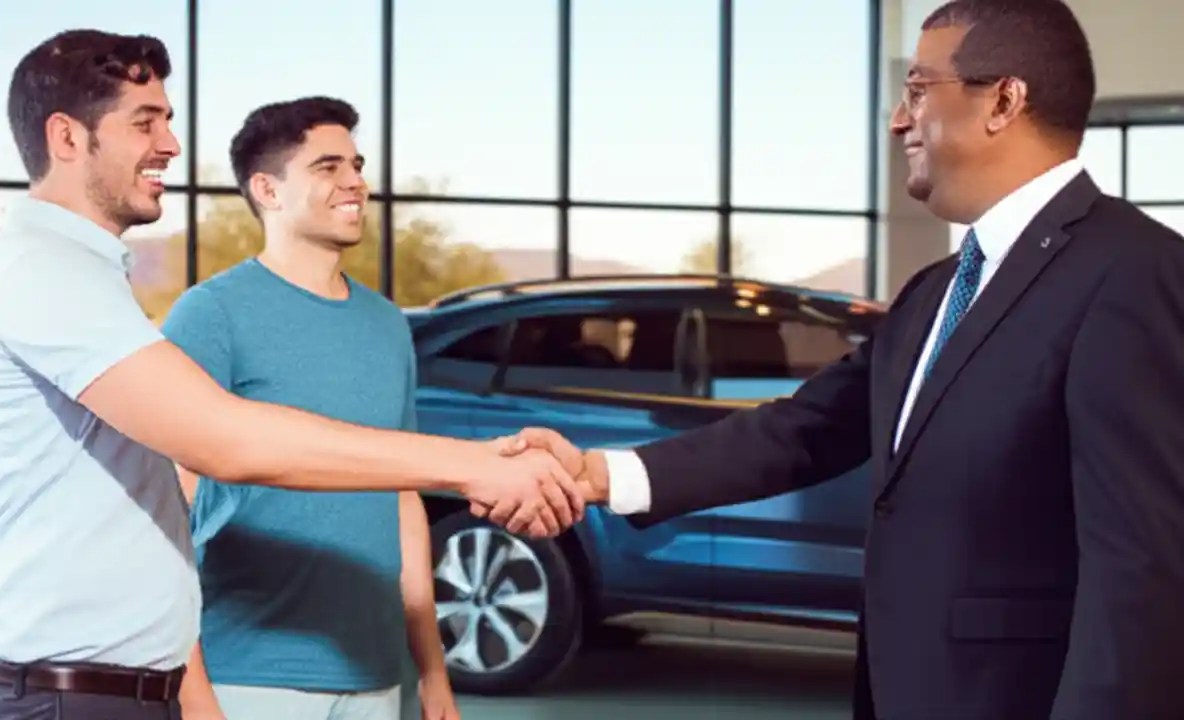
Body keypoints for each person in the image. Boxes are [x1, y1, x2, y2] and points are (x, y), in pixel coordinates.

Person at [505, 1, 1184, 718]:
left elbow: (1143, 575)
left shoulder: (1137, 273)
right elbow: (804, 430)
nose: (898, 119)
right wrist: (598, 474)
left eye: (919, 90)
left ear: (1004, 101)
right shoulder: (937, 290)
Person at [0, 29, 579, 720]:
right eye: (144, 122)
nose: (171, 145)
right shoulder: (43, 270)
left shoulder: (87, 280)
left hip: (116, 691)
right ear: (67, 138)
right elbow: (225, 443)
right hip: (65, 699)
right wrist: (472, 464)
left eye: (168, 120)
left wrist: (430, 671)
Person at [160, 96, 457, 720]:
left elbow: (404, 498)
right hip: (249, 678)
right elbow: (165, 513)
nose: (355, 181)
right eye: (327, 167)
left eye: (357, 163)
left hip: (375, 676)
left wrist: (431, 673)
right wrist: (194, 695)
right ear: (266, 189)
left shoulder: (387, 325)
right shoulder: (211, 316)